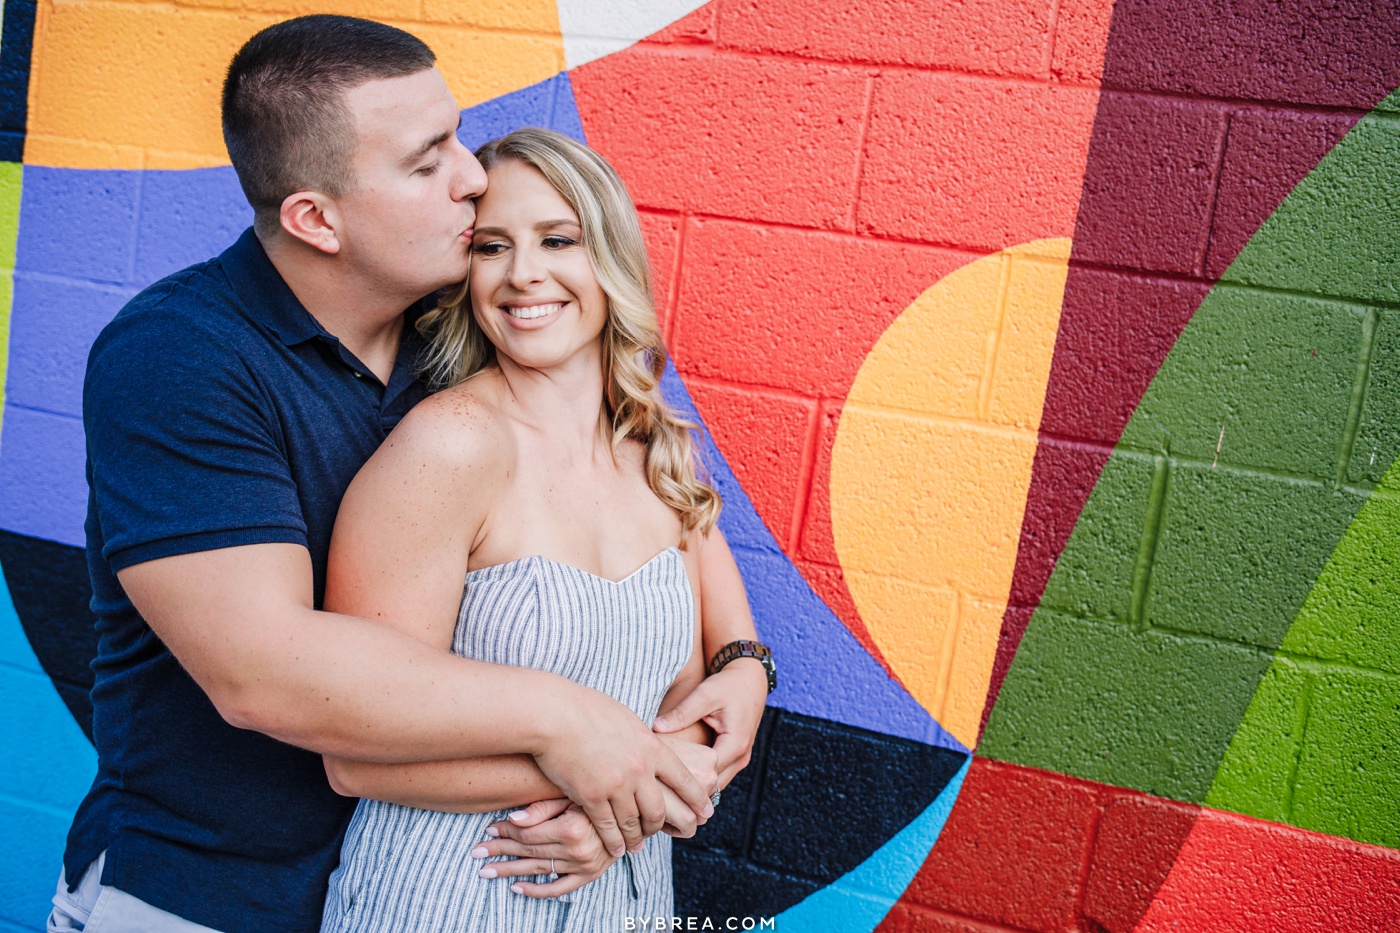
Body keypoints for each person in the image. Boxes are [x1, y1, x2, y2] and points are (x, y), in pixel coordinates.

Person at [52, 16, 770, 933]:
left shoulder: (454, 334)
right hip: (205, 893)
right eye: (427, 161)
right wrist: (576, 733)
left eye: (458, 138)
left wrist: (741, 661)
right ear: (317, 218)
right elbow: (261, 670)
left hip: (433, 870)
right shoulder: (181, 359)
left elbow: (661, 496)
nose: (472, 177)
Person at [317, 126, 760, 931]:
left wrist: (622, 807)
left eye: (559, 239)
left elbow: (689, 700)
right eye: (492, 246)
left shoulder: (657, 453)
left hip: (626, 897)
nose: (524, 274)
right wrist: (606, 793)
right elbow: (353, 754)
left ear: (611, 259)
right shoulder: (447, 446)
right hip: (447, 897)